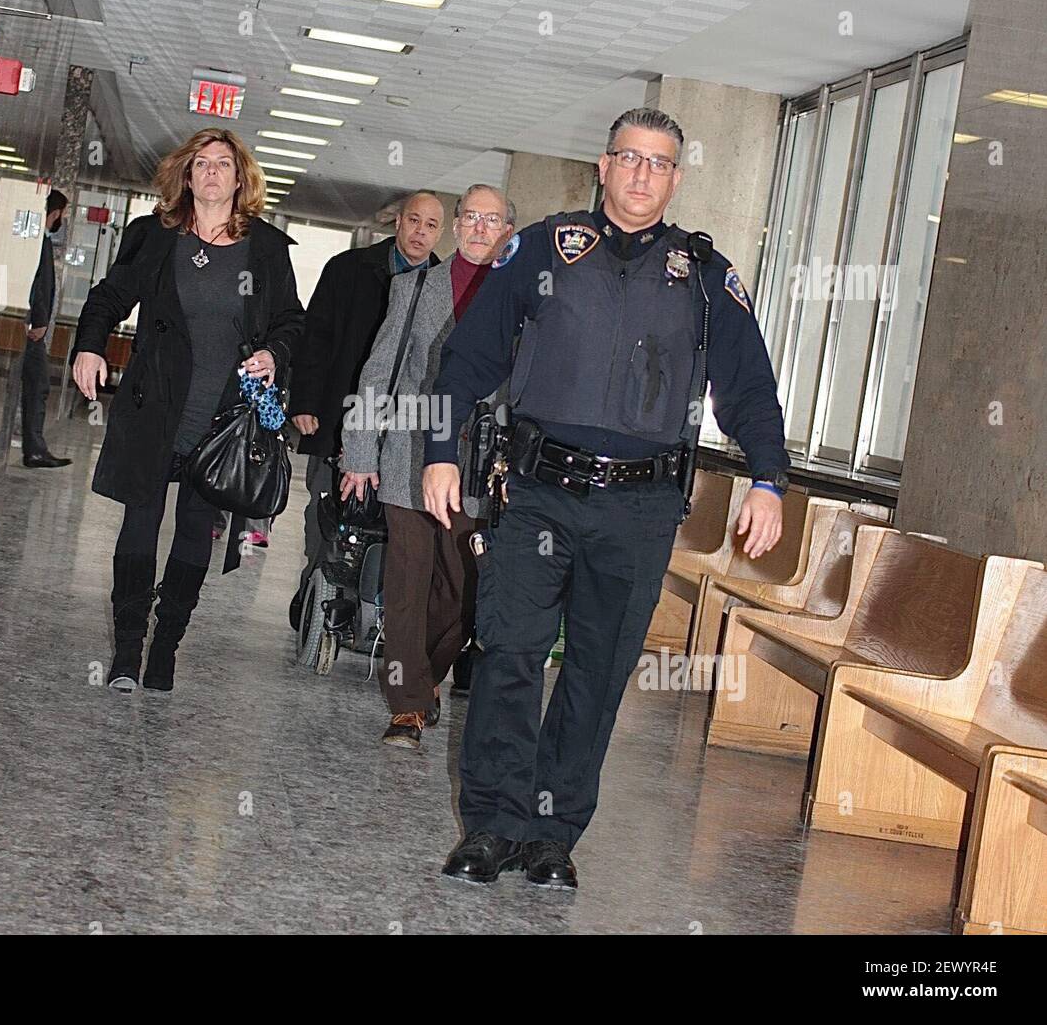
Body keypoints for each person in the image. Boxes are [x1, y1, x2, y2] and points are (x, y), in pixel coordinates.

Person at [423, 107, 791, 890]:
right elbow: (471, 355)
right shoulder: (541, 248)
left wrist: (768, 478)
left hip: (640, 510)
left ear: (677, 177)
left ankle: (553, 835)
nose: (641, 174)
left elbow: (750, 386)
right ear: (603, 164)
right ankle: (492, 826)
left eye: (659, 163)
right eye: (629, 158)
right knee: (512, 656)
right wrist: (438, 450)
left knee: (597, 671)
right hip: (536, 492)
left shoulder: (703, 276)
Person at [72, 128, 304, 694]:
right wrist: (89, 345)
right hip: (155, 407)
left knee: (195, 530)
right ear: (186, 174)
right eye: (201, 163)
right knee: (139, 524)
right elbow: (108, 298)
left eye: (223, 164)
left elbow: (292, 321)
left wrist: (274, 354)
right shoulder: (154, 236)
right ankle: (128, 650)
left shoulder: (267, 249)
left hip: (222, 417)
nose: (211, 172)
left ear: (241, 178)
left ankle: (166, 648)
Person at [340, 185, 515, 749]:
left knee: (462, 590)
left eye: (493, 220)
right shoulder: (414, 288)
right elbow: (378, 373)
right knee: (408, 581)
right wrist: (362, 454)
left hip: (480, 464)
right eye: (471, 217)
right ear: (457, 224)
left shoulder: (524, 297)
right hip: (409, 454)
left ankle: (430, 677)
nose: (480, 228)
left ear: (507, 230)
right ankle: (407, 705)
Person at [287, 191, 443, 630]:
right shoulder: (349, 269)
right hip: (336, 416)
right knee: (328, 516)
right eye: (414, 221)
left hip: (403, 431)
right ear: (398, 223)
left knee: (388, 525)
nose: (420, 232)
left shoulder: (443, 286)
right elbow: (315, 336)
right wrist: (304, 400)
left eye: (431, 225)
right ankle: (316, 599)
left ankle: (372, 612)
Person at [21, 190, 72, 469]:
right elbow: (38, 283)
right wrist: (39, 321)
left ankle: (29, 447)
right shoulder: (38, 244)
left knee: (29, 386)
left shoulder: (42, 241)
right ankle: (35, 450)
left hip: (32, 326)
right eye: (63, 213)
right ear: (54, 213)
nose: (63, 218)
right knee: (38, 386)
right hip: (32, 329)